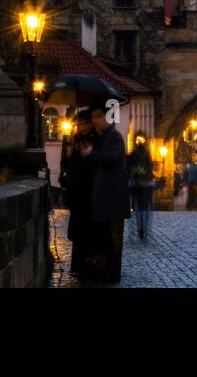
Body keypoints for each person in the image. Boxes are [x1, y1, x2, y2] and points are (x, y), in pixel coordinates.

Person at [80, 103, 129, 282]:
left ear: (105, 117)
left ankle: (113, 272)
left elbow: (112, 157)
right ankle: (106, 269)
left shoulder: (114, 136)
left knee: (111, 237)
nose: (96, 121)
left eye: (99, 117)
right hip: (104, 195)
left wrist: (91, 154)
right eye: (93, 118)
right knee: (104, 236)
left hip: (113, 196)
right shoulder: (102, 137)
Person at [60, 110, 94, 274]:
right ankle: (77, 265)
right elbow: (65, 165)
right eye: (79, 124)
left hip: (87, 191)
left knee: (85, 229)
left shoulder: (93, 141)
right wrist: (68, 153)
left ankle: (84, 265)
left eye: (84, 123)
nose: (81, 127)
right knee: (77, 230)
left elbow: (92, 165)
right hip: (75, 190)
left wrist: (88, 153)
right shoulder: (72, 140)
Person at [127, 133, 155, 239]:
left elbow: (131, 168)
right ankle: (145, 227)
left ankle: (139, 228)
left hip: (136, 183)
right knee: (146, 206)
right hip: (147, 183)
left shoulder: (133, 154)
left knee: (136, 206)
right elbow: (150, 166)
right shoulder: (147, 153)